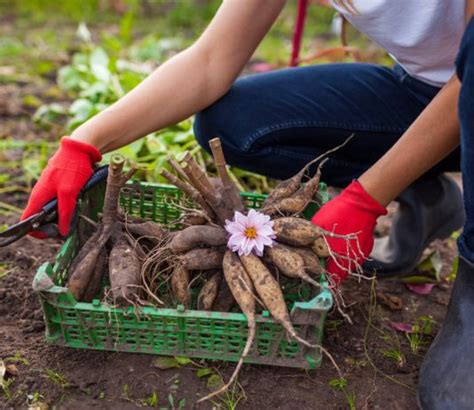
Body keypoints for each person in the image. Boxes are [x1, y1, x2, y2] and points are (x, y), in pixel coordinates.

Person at [21, 1, 474, 407]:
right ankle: (421, 187)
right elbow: (210, 60)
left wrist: (366, 197)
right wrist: (84, 143)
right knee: (235, 123)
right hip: (423, 91)